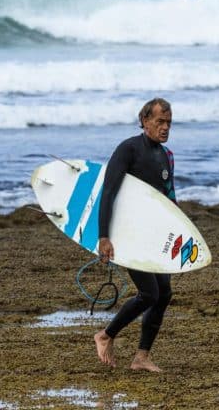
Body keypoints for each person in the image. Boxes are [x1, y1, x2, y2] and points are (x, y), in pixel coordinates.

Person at [93, 97, 176, 372]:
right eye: (159, 121)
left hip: (152, 235)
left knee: (163, 293)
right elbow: (108, 192)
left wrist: (179, 232)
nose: (165, 128)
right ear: (144, 121)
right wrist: (103, 236)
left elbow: (169, 200)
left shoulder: (166, 156)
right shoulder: (128, 150)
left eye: (168, 123)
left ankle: (141, 357)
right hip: (126, 234)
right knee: (149, 293)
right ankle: (105, 335)